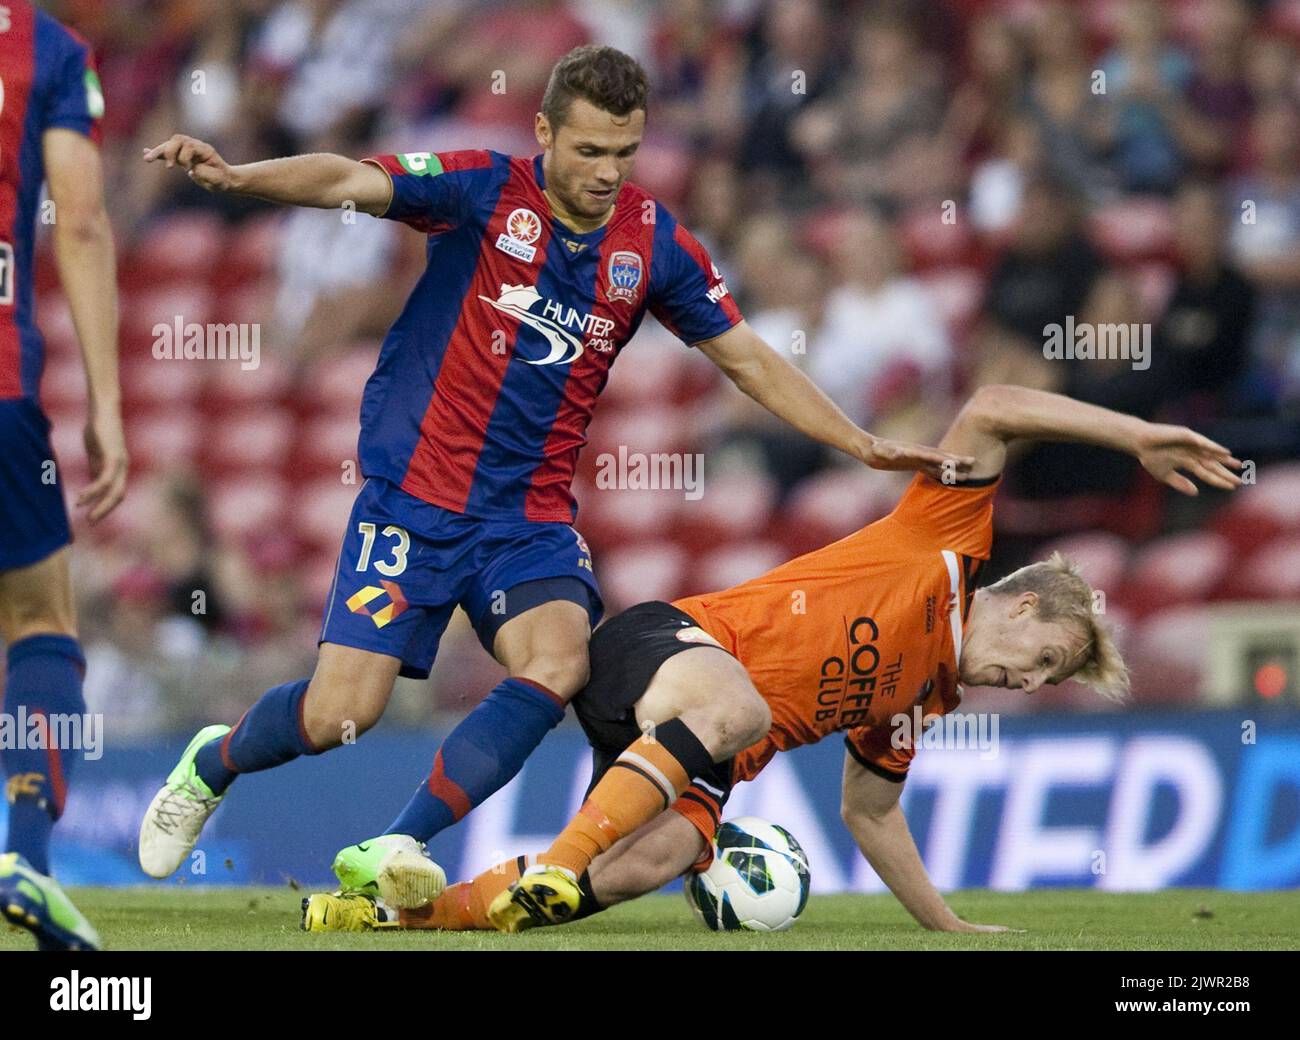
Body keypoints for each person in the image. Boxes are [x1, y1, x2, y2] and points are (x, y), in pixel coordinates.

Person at [136, 44, 967, 908]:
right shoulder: (483, 190)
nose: (608, 172)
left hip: (525, 521)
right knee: (341, 712)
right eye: (589, 151)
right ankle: (212, 761)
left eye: (625, 152)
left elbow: (748, 358)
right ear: (544, 132)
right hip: (413, 501)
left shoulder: (652, 245)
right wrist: (237, 176)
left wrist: (860, 442)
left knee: (559, 658)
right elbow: (349, 180)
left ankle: (397, 840)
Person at [300, 383, 1240, 934]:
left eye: (1049, 681)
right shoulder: (946, 538)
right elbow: (993, 404)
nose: (1033, 682)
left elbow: (870, 813)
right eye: (1049, 656)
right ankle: (558, 857)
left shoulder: (929, 698)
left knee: (649, 864)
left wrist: (949, 928)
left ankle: (394, 919)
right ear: (1025, 602)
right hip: (665, 649)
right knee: (738, 712)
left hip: (693, 751)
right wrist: (1135, 435)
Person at [0, 0, 127, 950]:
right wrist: (107, 404)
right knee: (40, 621)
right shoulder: (44, 49)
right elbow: (78, 224)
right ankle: (28, 861)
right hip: (2, 393)